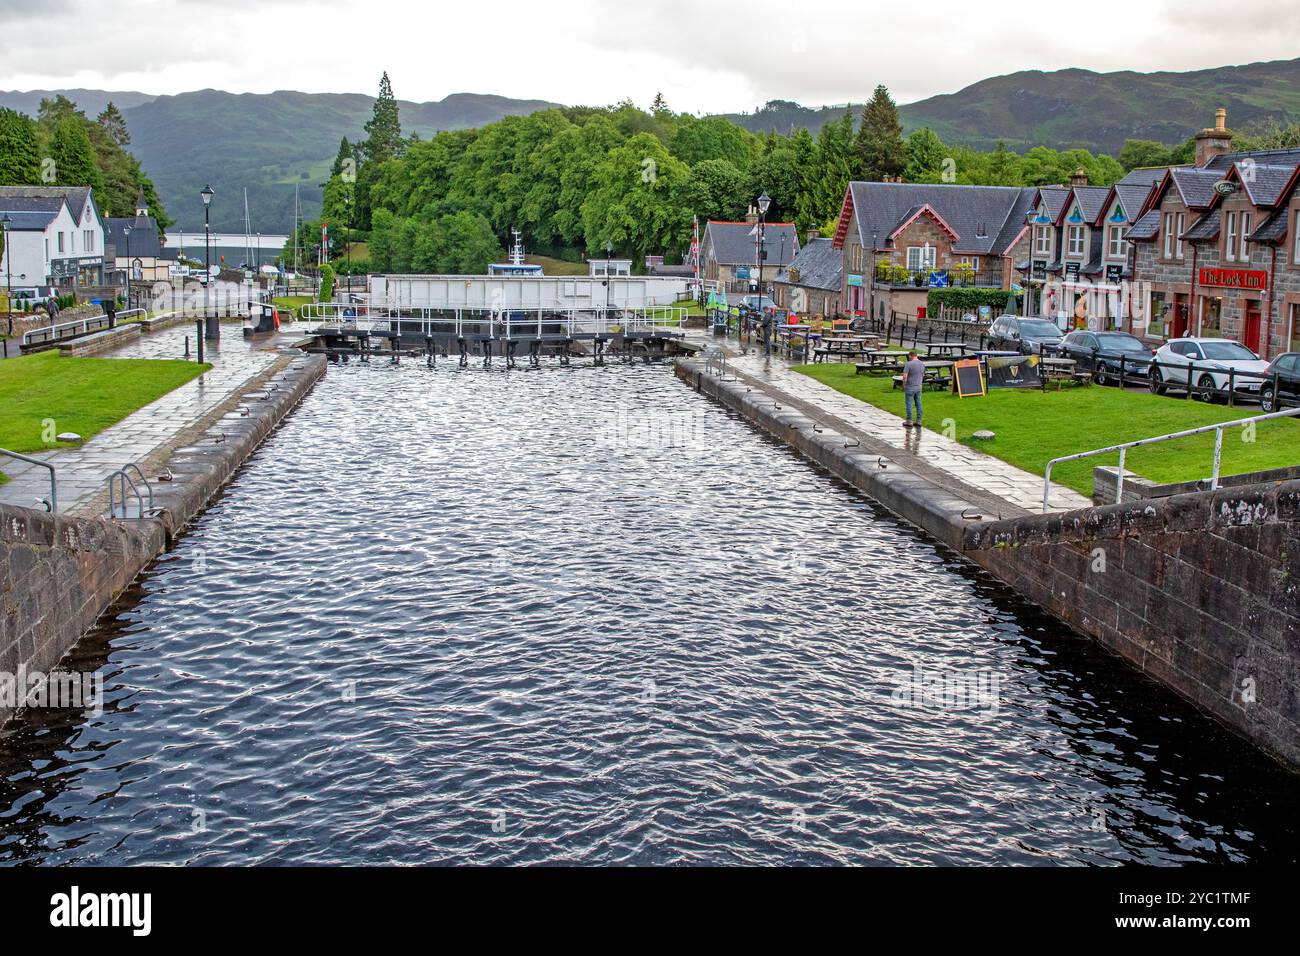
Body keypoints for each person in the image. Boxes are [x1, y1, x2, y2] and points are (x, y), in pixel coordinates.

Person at [902, 350, 926, 428]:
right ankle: (919, 420)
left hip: (910, 387)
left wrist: (904, 385)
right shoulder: (922, 364)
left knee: (909, 403)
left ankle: (909, 421)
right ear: (916, 355)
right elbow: (923, 375)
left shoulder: (908, 364)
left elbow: (905, 376)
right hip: (919, 387)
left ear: (910, 356)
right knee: (918, 403)